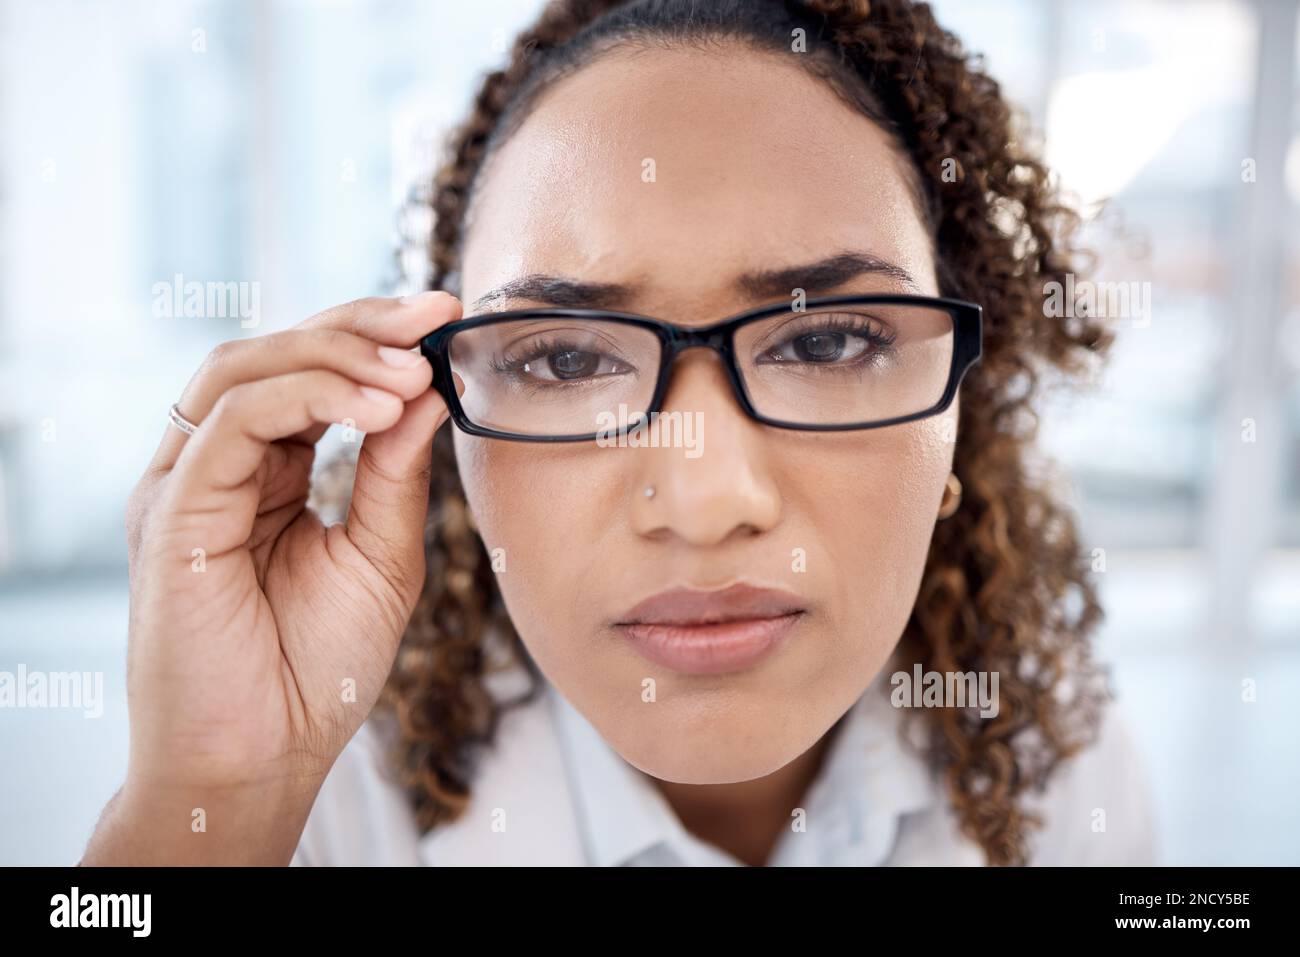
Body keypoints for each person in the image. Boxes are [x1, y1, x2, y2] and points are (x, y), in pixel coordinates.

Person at [81, 0, 1155, 867]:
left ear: (961, 410)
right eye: (563, 359)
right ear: (442, 412)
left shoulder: (1060, 769)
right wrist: (213, 802)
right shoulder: (324, 806)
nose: (704, 499)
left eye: (827, 343)